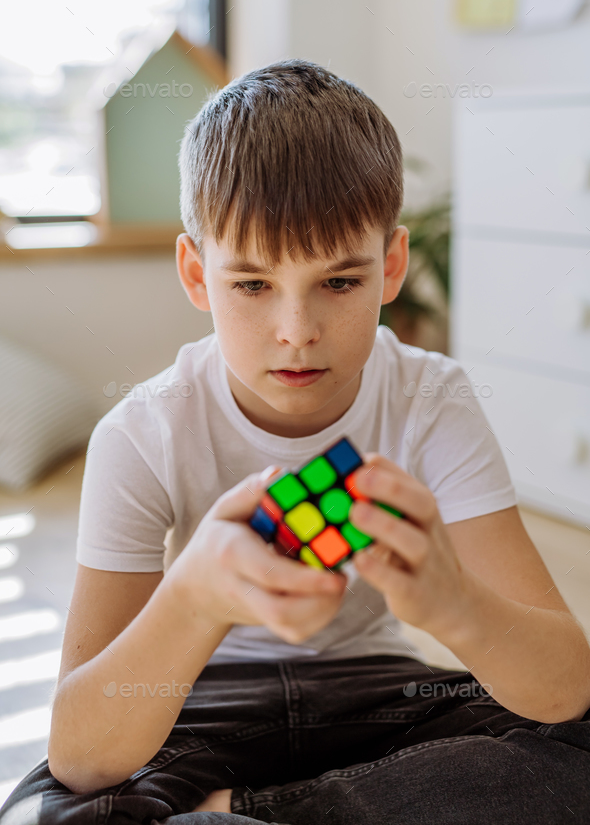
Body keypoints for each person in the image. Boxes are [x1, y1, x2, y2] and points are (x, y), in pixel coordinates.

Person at [3, 59, 590, 825]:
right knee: (49, 810)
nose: (297, 331)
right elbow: (82, 751)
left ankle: (248, 812)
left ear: (390, 267)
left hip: (383, 694)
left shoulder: (433, 400)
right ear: (195, 272)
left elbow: (564, 685)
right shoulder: (144, 431)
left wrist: (455, 604)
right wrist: (193, 597)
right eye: (251, 285)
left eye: (339, 283)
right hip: (201, 708)